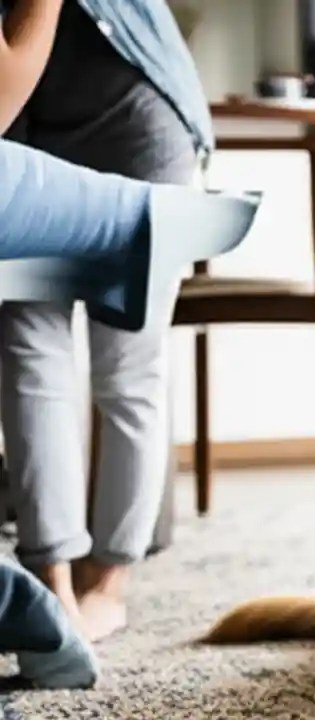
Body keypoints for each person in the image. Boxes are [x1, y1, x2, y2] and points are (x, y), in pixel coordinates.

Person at [0, 0, 214, 642]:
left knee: (128, 362)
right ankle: (53, 584)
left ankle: (108, 583)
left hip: (136, 118)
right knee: (26, 345)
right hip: (24, 127)